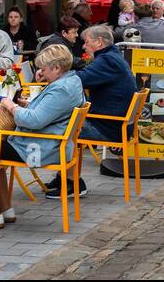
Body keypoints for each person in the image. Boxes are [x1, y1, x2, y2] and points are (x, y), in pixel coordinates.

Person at [0, 43, 86, 228]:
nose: (41, 72)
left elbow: (34, 121)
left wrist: (11, 106)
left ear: (57, 68)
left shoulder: (60, 89)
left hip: (39, 148)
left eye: (43, 69)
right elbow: (48, 114)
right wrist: (25, 105)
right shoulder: (72, 81)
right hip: (48, 143)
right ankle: (5, 210)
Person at [43, 24, 136, 200]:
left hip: (109, 127)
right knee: (67, 121)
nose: (84, 47)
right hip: (117, 124)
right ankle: (63, 176)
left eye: (86, 42)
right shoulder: (113, 57)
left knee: (63, 126)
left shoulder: (106, 61)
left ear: (98, 42)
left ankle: (72, 183)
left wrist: (53, 75)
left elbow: (78, 80)